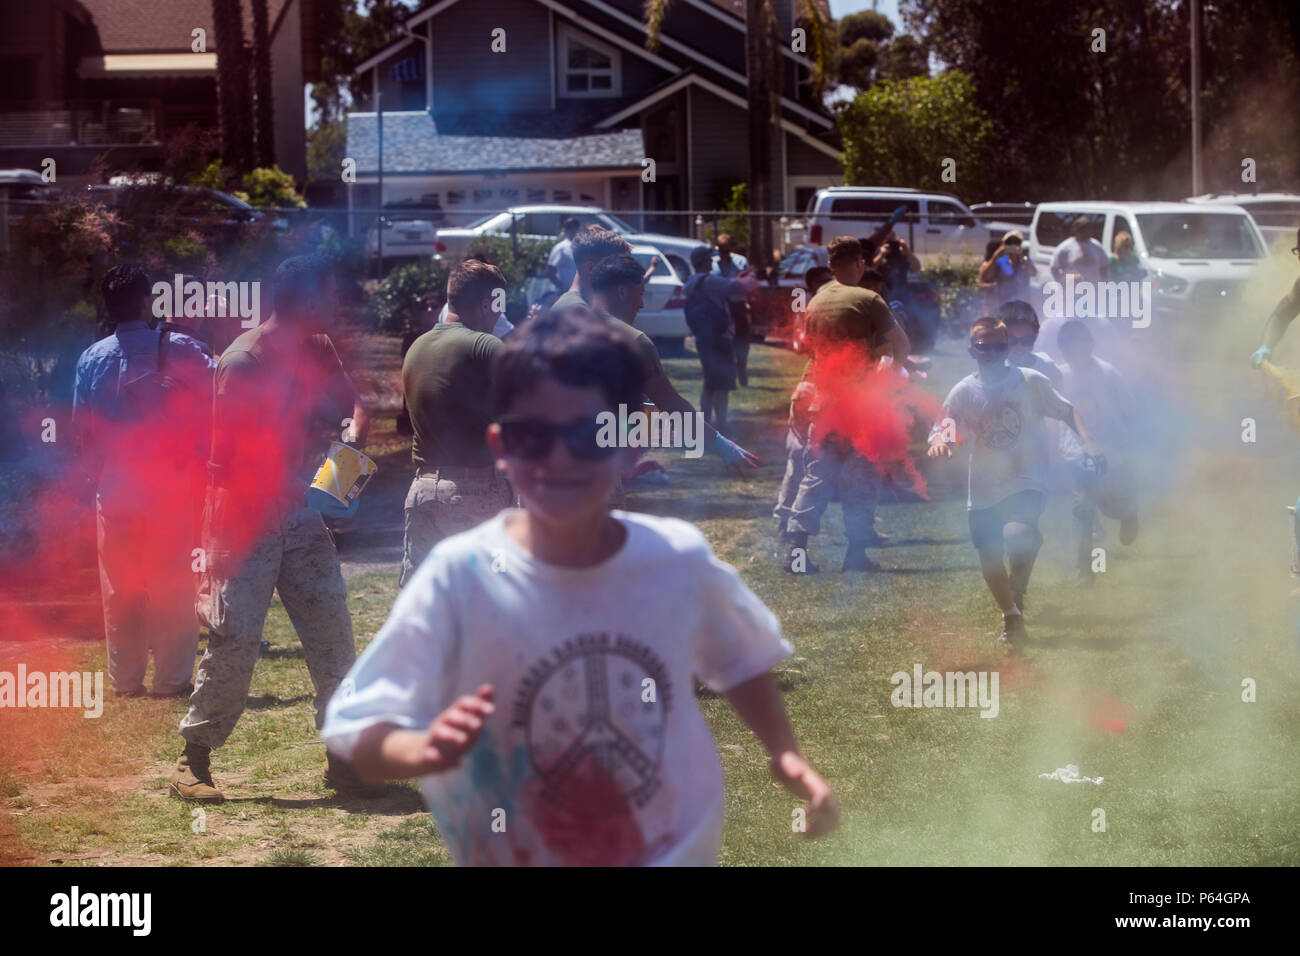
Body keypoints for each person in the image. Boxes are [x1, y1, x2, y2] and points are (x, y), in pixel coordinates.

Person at [320, 307, 838, 865]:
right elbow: (359, 734)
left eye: (586, 436)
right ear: (501, 446)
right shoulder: (459, 575)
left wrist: (786, 755)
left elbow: (739, 658)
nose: (560, 457)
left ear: (623, 447)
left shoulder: (675, 560)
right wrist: (421, 748)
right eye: (534, 436)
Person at [170, 255, 375, 803]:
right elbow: (226, 460)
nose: (336, 305)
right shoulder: (244, 362)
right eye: (328, 295)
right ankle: (193, 762)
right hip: (243, 513)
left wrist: (348, 445)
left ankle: (344, 759)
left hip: (300, 509)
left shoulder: (317, 347)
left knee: (333, 634)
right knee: (234, 638)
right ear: (304, 300)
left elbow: (356, 403)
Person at [72, 264, 215, 699]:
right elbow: (224, 389)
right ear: (146, 301)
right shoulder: (184, 348)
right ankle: (171, 681)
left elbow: (82, 433)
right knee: (173, 582)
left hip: (115, 487)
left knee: (121, 585)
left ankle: (125, 681)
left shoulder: (91, 358)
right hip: (170, 484)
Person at [927, 317, 1103, 645]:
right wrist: (943, 442)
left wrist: (1089, 442)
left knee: (1018, 532)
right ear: (972, 350)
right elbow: (947, 422)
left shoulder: (1029, 380)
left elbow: (1066, 410)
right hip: (982, 486)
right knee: (990, 559)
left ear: (1007, 349)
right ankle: (1011, 614)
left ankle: (1018, 588)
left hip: (1027, 476)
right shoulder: (964, 390)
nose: (992, 352)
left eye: (999, 346)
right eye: (984, 347)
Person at [783, 236, 910, 573]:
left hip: (824, 405)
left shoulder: (815, 301)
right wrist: (893, 376)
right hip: (860, 406)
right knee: (863, 478)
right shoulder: (868, 298)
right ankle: (855, 555)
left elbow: (813, 353)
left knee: (816, 476)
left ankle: (796, 553)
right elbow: (901, 343)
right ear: (859, 262)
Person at [400, 260, 515, 587]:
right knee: (490, 607)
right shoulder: (486, 346)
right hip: (474, 495)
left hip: (422, 493)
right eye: (498, 307)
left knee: (426, 609)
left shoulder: (417, 347)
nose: (499, 317)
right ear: (485, 304)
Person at [592, 252, 759, 470]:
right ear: (622, 291)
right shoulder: (633, 341)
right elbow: (670, 403)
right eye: (640, 294)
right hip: (598, 470)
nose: (641, 304)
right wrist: (720, 443)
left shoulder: (564, 325)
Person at [1056, 320, 1140, 584]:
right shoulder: (1059, 376)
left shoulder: (1108, 373)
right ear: (1064, 351)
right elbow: (1052, 411)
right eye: (1074, 347)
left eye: (1085, 344)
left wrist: (1123, 444)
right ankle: (1085, 570)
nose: (1081, 351)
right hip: (1076, 452)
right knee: (1083, 508)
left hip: (1109, 452)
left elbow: (1128, 410)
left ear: (1091, 345)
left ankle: (1127, 513)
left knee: (1109, 505)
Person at [999, 300, 1064, 389]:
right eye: (1012, 341)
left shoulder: (1048, 368)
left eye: (1027, 340)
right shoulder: (996, 372)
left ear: (1036, 335)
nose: (1019, 347)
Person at [1050, 217, 1108, 290]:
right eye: (1082, 230)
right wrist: (1062, 282)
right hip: (1071, 291)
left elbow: (1104, 267)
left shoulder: (1097, 246)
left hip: (1093, 291)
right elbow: (1054, 267)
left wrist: (1103, 284)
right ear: (1075, 230)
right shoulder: (1065, 247)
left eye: (1088, 229)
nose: (1086, 232)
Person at [979, 231, 1034, 307]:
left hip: (1022, 305)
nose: (1012, 246)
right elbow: (985, 277)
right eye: (1009, 243)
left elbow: (1034, 273)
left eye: (1016, 242)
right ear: (1004, 245)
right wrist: (995, 256)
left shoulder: (1025, 261)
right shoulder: (1000, 262)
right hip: (1003, 305)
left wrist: (1021, 256)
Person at [546, 217, 581, 296]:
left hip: (577, 292)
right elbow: (549, 271)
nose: (574, 231)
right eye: (570, 228)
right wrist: (562, 288)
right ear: (565, 230)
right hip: (563, 293)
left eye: (576, 228)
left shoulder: (580, 247)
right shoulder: (561, 248)